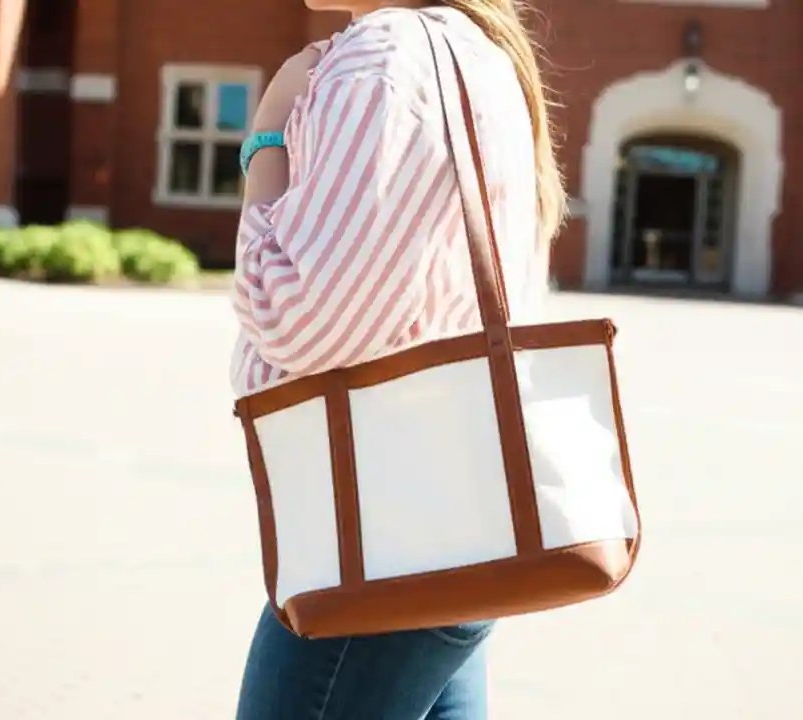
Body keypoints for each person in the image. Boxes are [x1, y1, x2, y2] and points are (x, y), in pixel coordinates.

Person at [230, 1, 566, 717]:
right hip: (469, 517)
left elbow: (302, 323)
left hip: (378, 533)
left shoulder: (384, 58)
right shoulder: (480, 53)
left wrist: (267, 134)